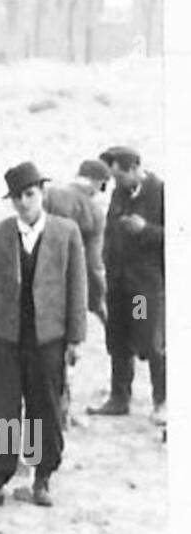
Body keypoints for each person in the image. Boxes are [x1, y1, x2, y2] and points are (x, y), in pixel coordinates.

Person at [0, 161, 87, 510]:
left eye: (29, 194)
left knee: (45, 406)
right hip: (6, 336)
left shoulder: (66, 232)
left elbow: (77, 287)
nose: (23, 203)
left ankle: (42, 476)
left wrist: (75, 338)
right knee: (1, 406)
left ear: (42, 194)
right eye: (16, 197)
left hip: (49, 337)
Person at [89, 146, 165, 423]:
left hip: (142, 290)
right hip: (118, 285)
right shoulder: (119, 194)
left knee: (147, 339)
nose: (114, 184)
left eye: (119, 177)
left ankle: (162, 400)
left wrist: (145, 230)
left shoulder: (161, 193)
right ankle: (119, 398)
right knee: (117, 339)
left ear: (134, 169)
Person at [44, 160, 109, 331]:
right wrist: (98, 301)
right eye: (102, 186)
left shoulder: (49, 194)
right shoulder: (96, 212)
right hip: (68, 281)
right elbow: (93, 264)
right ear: (97, 183)